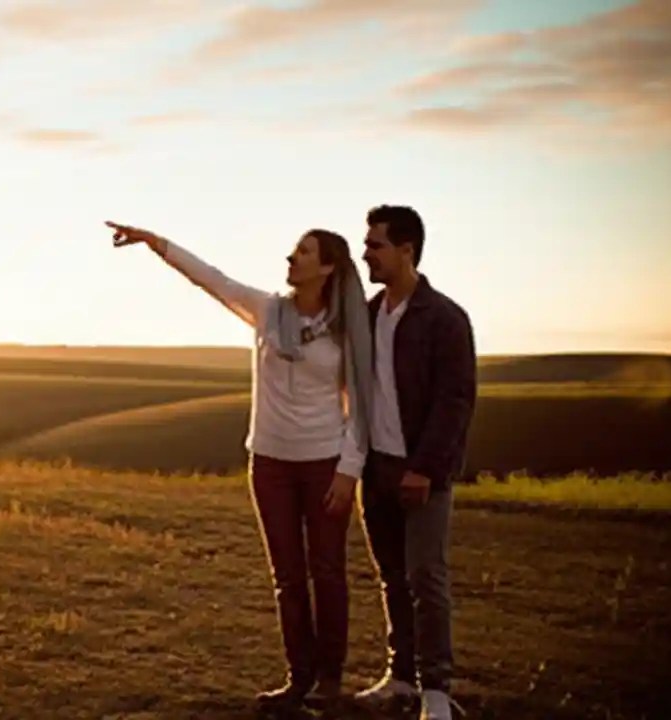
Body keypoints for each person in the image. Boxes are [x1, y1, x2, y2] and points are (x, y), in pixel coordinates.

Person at [105, 219, 373, 711]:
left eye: (304, 252)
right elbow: (210, 278)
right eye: (294, 250)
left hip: (323, 464)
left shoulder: (344, 332)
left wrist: (348, 470)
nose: (292, 258)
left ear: (329, 267)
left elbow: (360, 404)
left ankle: (329, 680)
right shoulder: (268, 311)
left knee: (328, 571)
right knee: (287, 576)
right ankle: (299, 677)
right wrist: (155, 242)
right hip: (270, 462)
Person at [351, 205, 477, 720]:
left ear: (407, 250)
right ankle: (400, 677)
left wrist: (424, 468)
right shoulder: (365, 314)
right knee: (392, 578)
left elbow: (455, 401)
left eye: (375, 244)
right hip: (373, 468)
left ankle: (437, 691)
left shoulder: (444, 318)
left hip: (421, 469)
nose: (365, 253)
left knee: (427, 578)